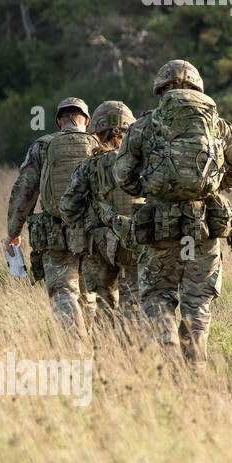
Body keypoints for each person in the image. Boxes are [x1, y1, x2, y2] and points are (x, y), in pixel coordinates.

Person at [114, 60, 232, 367]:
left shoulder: (143, 125)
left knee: (157, 295)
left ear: (161, 88)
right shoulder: (217, 123)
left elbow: (122, 175)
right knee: (198, 300)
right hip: (203, 227)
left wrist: (148, 187)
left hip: (159, 228)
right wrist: (214, 184)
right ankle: (195, 365)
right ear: (197, 85)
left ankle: (170, 354)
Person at [5, 97, 100, 337]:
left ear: (59, 121)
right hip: (92, 233)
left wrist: (13, 233)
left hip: (55, 233)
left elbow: (25, 191)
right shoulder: (99, 144)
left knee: (63, 290)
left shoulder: (43, 145)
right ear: (86, 121)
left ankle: (75, 346)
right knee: (88, 292)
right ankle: (90, 342)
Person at [59, 100, 144, 326]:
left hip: (98, 248)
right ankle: (133, 353)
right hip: (134, 245)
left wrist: (88, 220)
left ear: (96, 131)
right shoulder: (142, 164)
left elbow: (67, 207)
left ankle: (106, 354)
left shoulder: (88, 166)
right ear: (129, 131)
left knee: (103, 306)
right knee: (133, 302)